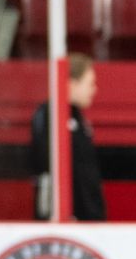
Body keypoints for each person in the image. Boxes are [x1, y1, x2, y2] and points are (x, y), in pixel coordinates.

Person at [28, 52, 106, 221]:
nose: (94, 90)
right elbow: (49, 168)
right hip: (68, 218)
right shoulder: (51, 116)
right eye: (90, 84)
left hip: (86, 218)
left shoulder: (76, 118)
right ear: (72, 83)